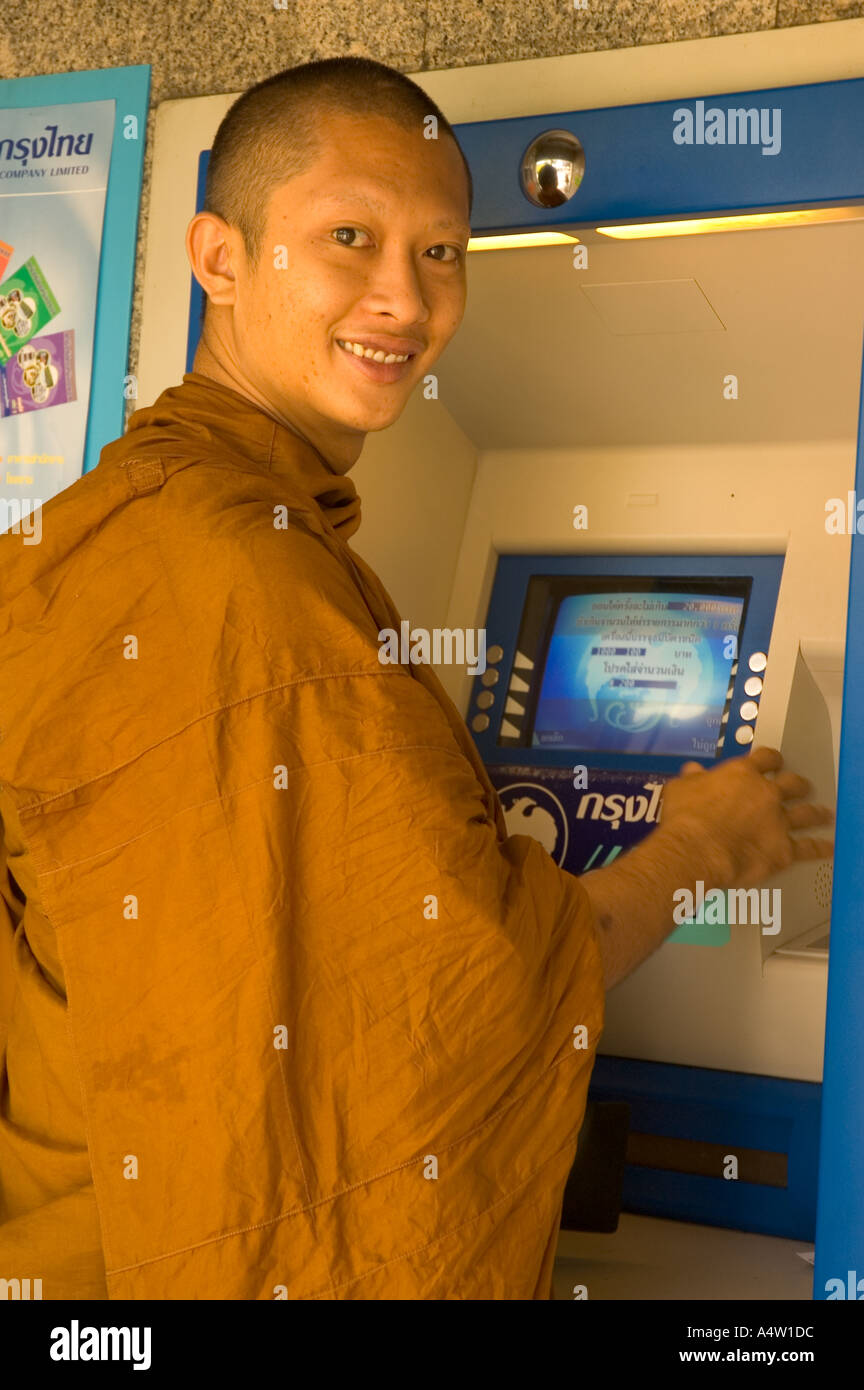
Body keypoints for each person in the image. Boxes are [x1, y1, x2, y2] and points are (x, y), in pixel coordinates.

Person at [0, 56, 833, 1302]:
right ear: (218, 258)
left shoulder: (122, 527)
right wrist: (695, 843)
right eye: (349, 236)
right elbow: (465, 985)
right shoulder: (242, 576)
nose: (404, 294)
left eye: (442, 250)